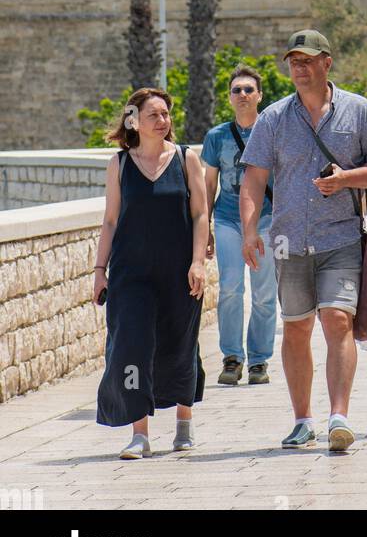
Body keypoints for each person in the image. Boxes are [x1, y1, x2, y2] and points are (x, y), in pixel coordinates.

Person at [240, 29, 367, 452]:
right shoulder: (273, 118)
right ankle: (302, 419)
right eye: (294, 61)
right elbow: (253, 178)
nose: (299, 68)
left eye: (307, 60)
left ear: (327, 62)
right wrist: (251, 230)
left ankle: (339, 416)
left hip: (341, 236)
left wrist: (346, 179)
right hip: (289, 241)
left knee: (338, 321)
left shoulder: (359, 111)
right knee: (295, 328)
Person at [94, 88, 207, 458]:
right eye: (154, 115)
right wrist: (99, 270)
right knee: (132, 345)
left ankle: (184, 423)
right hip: (131, 273)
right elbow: (110, 221)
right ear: (134, 121)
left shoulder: (187, 159)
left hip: (178, 270)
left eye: (166, 114)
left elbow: (199, 214)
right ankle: (139, 432)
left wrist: (197, 262)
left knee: (180, 344)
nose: (163, 121)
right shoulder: (120, 164)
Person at [202, 65, 277, 386]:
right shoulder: (216, 137)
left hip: (268, 220)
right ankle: (232, 357)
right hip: (228, 219)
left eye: (249, 89)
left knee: (264, 293)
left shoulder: (273, 131)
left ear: (259, 95)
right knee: (231, 288)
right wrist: (203, 228)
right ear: (229, 97)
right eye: (237, 90)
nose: (243, 95)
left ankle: (259, 360)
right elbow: (207, 185)